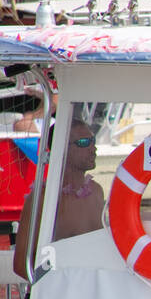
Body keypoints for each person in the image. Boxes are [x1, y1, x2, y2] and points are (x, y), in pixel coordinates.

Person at [13, 120, 106, 283]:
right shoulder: (43, 199)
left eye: (93, 141)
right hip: (57, 296)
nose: (93, 148)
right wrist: (60, 286)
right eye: (84, 143)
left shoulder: (96, 192)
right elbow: (22, 265)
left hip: (92, 293)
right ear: (61, 150)